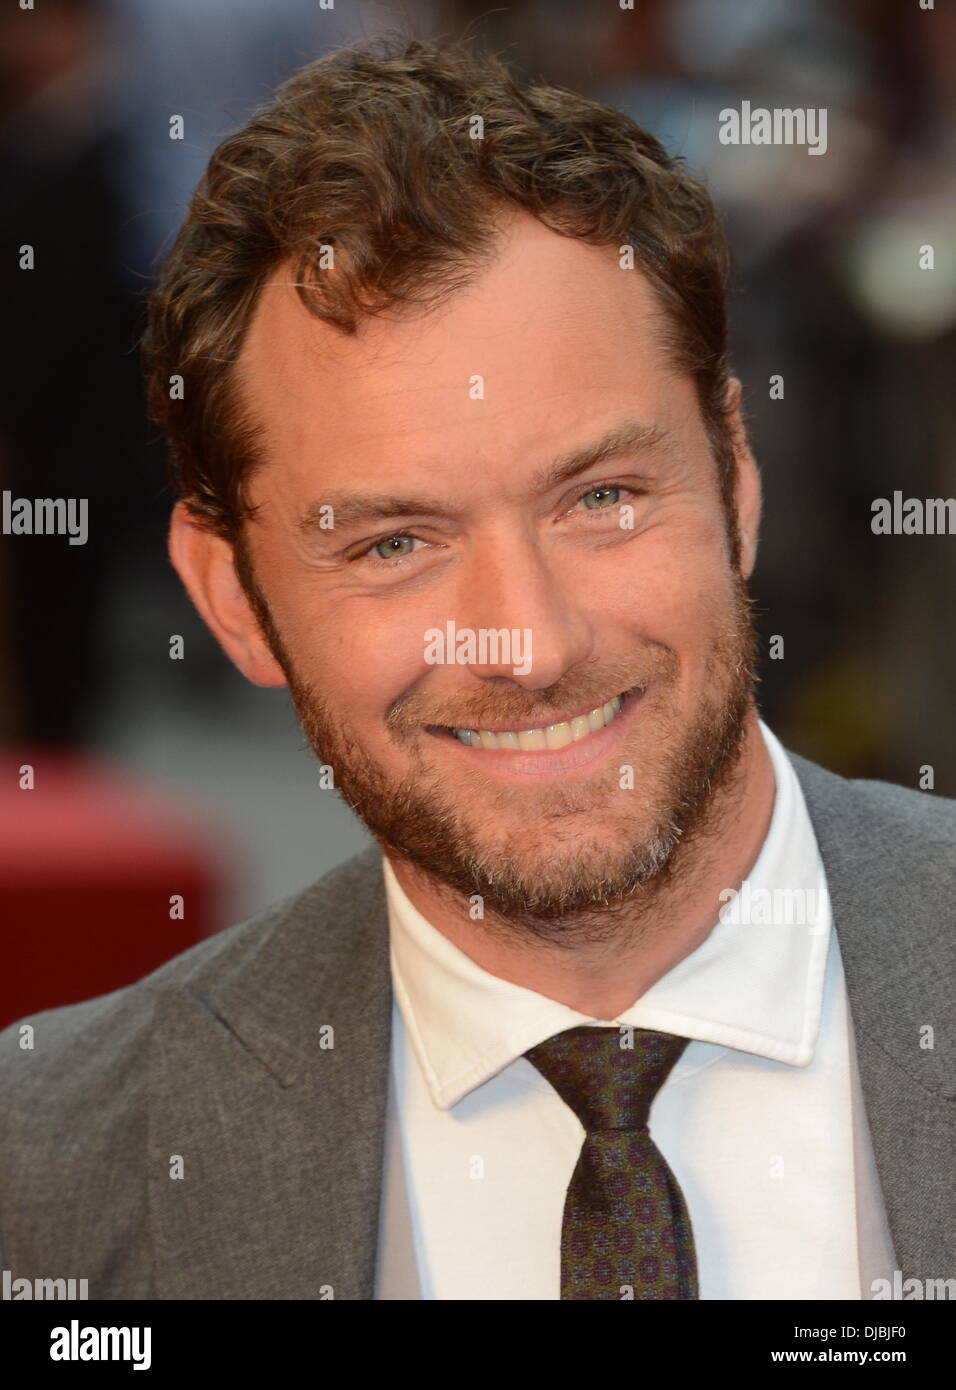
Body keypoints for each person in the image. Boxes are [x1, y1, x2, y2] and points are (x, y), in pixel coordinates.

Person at [1, 34, 953, 1302]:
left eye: (601, 497)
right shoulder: (50, 1178)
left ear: (733, 476)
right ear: (230, 594)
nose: (531, 643)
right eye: (396, 541)